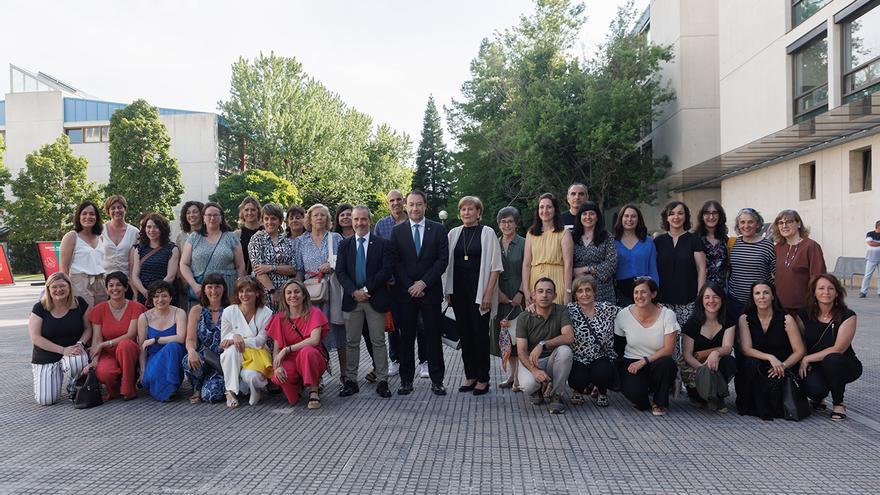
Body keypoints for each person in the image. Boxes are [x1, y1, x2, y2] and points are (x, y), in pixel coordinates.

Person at [389, 190, 449, 396]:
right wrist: (410, 286)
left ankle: (437, 381)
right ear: (406, 206)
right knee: (406, 338)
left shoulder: (438, 229)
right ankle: (406, 381)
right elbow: (395, 262)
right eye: (411, 205)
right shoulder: (397, 231)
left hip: (430, 292)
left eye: (419, 204)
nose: (415, 208)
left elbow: (442, 260)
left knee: (433, 337)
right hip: (405, 295)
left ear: (425, 205)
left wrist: (423, 283)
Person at [444, 196, 503, 395]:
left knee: (479, 335)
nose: (466, 213)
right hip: (459, 291)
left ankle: (483, 378)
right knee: (465, 335)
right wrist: (448, 292)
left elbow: (495, 267)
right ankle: (470, 376)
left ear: (479, 212)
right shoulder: (453, 233)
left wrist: (488, 293)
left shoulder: (487, 233)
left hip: (479, 292)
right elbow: (448, 265)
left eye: (471, 209)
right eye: (463, 209)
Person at [335, 205, 394, 398]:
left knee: (378, 341)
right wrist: (354, 292)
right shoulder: (344, 245)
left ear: (370, 220)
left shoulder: (382, 244)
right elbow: (341, 272)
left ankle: (383, 380)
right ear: (352, 222)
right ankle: (351, 381)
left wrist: (366, 290)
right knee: (352, 342)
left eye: (363, 219)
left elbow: (386, 270)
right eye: (356, 219)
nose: (359, 223)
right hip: (352, 300)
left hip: (374, 298)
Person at [735, 281, 805, 420]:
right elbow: (746, 349)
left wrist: (783, 365)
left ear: (773, 296)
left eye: (766, 293)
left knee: (775, 383)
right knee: (750, 363)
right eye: (757, 293)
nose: (762, 297)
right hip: (757, 363)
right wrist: (770, 357)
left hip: (782, 365)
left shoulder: (786, 319)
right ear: (753, 297)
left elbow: (799, 350)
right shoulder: (745, 318)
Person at [798, 274, 861, 421]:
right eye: (821, 288)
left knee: (832, 360)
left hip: (844, 363)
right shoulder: (803, 314)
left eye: (830, 288)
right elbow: (800, 343)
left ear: (837, 292)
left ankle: (838, 403)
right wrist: (803, 359)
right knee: (814, 389)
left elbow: (838, 349)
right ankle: (818, 397)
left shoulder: (847, 315)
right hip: (816, 365)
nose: (826, 292)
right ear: (814, 292)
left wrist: (807, 358)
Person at [614, 276, 679, 415]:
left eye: (643, 292)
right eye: (636, 292)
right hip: (632, 362)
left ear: (653, 294)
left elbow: (669, 349)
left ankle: (660, 402)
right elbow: (618, 345)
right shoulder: (623, 314)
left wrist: (644, 361)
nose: (639, 296)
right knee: (637, 396)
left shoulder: (667, 315)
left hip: (658, 362)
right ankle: (644, 396)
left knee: (667, 364)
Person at [295, 204, 345, 380]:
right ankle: (318, 377)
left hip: (332, 289)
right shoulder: (301, 241)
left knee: (338, 330)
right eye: (315, 215)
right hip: (310, 291)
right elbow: (299, 269)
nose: (319, 218)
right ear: (309, 218)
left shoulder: (335, 238)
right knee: (314, 334)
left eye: (323, 215)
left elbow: (344, 264)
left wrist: (332, 266)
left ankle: (345, 376)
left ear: (328, 219)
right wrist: (299, 294)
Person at [28, 272, 91, 405]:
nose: (59, 290)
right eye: (54, 287)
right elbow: (36, 338)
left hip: (73, 351)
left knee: (78, 360)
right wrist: (62, 350)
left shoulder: (79, 303)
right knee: (46, 400)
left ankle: (74, 384)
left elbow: (88, 328)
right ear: (48, 289)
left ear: (69, 287)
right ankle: (45, 375)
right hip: (47, 355)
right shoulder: (39, 307)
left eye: (62, 286)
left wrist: (81, 343)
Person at [266, 280, 329, 409]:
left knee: (307, 351)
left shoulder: (314, 312)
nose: (293, 295)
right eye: (288, 293)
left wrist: (287, 349)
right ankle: (298, 386)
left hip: (313, 357)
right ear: (284, 297)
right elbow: (277, 349)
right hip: (290, 360)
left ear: (304, 295)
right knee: (285, 387)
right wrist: (276, 367)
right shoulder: (279, 318)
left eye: (297, 292)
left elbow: (314, 340)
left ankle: (313, 390)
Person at [515, 277, 574, 414]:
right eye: (540, 291)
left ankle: (556, 395)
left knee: (565, 351)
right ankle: (536, 391)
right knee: (527, 385)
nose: (544, 295)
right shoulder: (524, 317)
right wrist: (534, 370)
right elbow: (521, 352)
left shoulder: (561, 311)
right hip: (532, 361)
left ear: (555, 295)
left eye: (549, 291)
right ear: (533, 295)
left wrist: (543, 344)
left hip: (553, 360)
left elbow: (569, 337)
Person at [87, 272, 146, 401]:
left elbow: (130, 335)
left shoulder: (136, 307)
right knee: (104, 373)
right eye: (111, 285)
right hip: (108, 353)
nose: (115, 289)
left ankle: (128, 388)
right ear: (107, 289)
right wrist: (95, 360)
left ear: (125, 288)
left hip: (129, 351)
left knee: (125, 345)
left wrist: (104, 344)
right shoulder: (98, 309)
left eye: (119, 285)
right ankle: (113, 390)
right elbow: (97, 338)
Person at [680, 281, 736, 412]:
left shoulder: (728, 320)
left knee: (729, 361)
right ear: (701, 300)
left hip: (716, 363)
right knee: (701, 392)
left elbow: (728, 347)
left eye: (715, 296)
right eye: (707, 297)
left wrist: (715, 353)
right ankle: (702, 397)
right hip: (695, 367)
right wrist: (704, 370)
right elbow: (687, 355)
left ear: (722, 299)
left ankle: (716, 396)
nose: (711, 300)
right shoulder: (692, 323)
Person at [219, 277, 273, 408]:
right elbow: (224, 338)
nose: (244, 295)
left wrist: (238, 339)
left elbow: (260, 340)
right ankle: (230, 392)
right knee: (231, 351)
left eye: (249, 291)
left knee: (252, 377)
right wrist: (235, 336)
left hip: (258, 353)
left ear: (257, 293)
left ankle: (256, 389)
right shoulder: (229, 311)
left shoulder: (266, 312)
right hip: (237, 351)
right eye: (241, 291)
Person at [566, 275, 619, 407]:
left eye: (588, 290)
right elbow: (550, 312)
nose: (585, 294)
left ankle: (602, 391)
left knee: (603, 373)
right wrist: (532, 307)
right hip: (578, 357)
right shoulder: (568, 310)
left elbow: (630, 312)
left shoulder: (606, 308)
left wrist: (653, 307)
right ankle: (578, 389)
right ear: (575, 295)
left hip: (601, 355)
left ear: (594, 291)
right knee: (577, 378)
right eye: (580, 291)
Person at [374, 189, 411, 377]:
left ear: (404, 201)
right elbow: (376, 253)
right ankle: (395, 360)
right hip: (390, 282)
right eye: (391, 201)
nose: (395, 203)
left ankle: (423, 361)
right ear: (387, 203)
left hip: (412, 282)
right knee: (392, 325)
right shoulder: (382, 224)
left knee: (417, 324)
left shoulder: (412, 220)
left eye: (398, 200)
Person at [180, 202, 246, 305]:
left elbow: (240, 265)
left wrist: (239, 287)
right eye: (209, 215)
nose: (212, 218)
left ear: (221, 218)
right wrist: (193, 285)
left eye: (215, 215)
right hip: (201, 289)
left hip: (228, 289)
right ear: (204, 218)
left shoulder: (231, 237)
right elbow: (184, 264)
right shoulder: (194, 237)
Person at [654, 201, 706, 326]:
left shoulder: (694, 240)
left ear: (686, 216)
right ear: (666, 217)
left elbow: (702, 269)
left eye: (680, 213)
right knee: (667, 338)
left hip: (688, 299)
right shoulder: (658, 241)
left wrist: (700, 296)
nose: (676, 217)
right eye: (671, 214)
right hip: (663, 301)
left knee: (687, 338)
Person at [137, 281, 187, 401]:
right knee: (148, 378)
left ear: (170, 297)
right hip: (154, 357)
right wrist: (142, 370)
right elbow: (142, 347)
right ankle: (158, 384)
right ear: (151, 299)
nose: (160, 299)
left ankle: (170, 388)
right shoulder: (144, 317)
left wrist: (155, 340)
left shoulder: (179, 313)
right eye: (156, 296)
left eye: (164, 296)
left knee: (173, 346)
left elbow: (180, 338)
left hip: (174, 358)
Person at [183, 273, 229, 404]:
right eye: (210, 287)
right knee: (187, 360)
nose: (213, 291)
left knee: (210, 396)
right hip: (203, 359)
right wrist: (191, 350)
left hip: (222, 363)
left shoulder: (230, 310)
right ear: (204, 289)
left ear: (223, 288)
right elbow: (190, 339)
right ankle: (197, 388)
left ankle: (221, 384)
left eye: (217, 287)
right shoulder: (196, 310)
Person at [493, 207, 525, 390]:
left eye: (510, 221)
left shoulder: (524, 243)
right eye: (503, 221)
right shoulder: (494, 244)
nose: (506, 225)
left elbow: (527, 270)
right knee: (507, 338)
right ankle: (511, 376)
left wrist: (520, 293)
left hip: (519, 294)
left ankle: (521, 377)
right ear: (499, 224)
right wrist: (497, 293)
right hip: (500, 295)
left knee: (520, 337)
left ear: (516, 223)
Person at [522, 193, 573, 305]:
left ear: (555, 210)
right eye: (541, 207)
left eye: (549, 207)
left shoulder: (564, 232)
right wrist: (526, 291)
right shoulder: (531, 233)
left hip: (557, 281)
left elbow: (568, 264)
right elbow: (526, 264)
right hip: (535, 282)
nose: (545, 210)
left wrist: (567, 291)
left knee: (556, 318)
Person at [773, 210, 826, 312]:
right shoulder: (777, 248)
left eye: (789, 222)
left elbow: (818, 277)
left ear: (798, 224)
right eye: (780, 223)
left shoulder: (811, 246)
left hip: (803, 307)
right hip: (779, 306)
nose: (784, 226)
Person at [728, 208, 775, 318]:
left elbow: (776, 273)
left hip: (759, 302)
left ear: (758, 224)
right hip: (735, 301)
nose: (746, 225)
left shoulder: (767, 245)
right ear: (738, 225)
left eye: (750, 222)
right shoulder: (733, 243)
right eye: (742, 222)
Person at [59, 200, 107, 306]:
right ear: (78, 216)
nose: (88, 217)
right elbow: (64, 268)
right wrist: (66, 288)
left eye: (92, 214)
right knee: (84, 316)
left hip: (100, 283)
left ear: (96, 217)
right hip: (80, 283)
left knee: (99, 318)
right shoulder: (71, 236)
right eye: (84, 213)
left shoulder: (101, 238)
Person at [249, 203, 297, 306]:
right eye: (266, 219)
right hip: (264, 293)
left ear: (280, 221)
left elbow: (293, 269)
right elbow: (259, 271)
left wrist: (271, 267)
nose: (269, 222)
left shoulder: (287, 241)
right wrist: (273, 292)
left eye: (273, 218)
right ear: (262, 220)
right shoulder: (257, 239)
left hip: (287, 293)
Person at [613, 204, 659, 306]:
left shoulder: (648, 242)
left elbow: (653, 270)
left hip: (644, 290)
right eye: (626, 216)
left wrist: (655, 294)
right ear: (621, 218)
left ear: (639, 219)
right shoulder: (613, 242)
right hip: (620, 292)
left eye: (633, 216)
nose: (629, 219)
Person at [571, 202, 617, 303]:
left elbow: (612, 264)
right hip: (579, 289)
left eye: (592, 213)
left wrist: (586, 269)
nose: (588, 217)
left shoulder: (606, 237)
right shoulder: (572, 237)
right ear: (579, 217)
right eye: (584, 214)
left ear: (597, 217)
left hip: (602, 289)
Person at [131, 212, 179, 306]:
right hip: (144, 296)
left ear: (162, 229)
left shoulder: (172, 249)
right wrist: (145, 292)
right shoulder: (139, 249)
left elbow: (170, 276)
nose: (152, 230)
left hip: (163, 296)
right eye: (149, 227)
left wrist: (156, 294)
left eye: (156, 227)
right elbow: (135, 276)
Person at [101, 195, 140, 279]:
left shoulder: (135, 232)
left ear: (125, 209)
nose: (117, 210)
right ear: (108, 211)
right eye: (113, 208)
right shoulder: (100, 231)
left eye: (119, 207)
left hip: (127, 282)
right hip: (104, 281)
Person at [694, 200, 729, 290]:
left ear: (720, 215)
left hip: (722, 291)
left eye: (714, 213)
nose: (711, 217)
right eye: (707, 213)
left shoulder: (725, 240)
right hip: (701, 290)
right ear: (702, 217)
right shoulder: (694, 239)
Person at [235, 196, 263, 274]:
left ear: (258, 211)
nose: (249, 213)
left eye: (253, 210)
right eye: (246, 210)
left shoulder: (266, 232)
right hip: (244, 278)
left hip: (264, 276)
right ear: (242, 212)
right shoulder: (237, 235)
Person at [860, 220, 880, 298]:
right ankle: (863, 292)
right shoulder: (870, 234)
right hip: (871, 258)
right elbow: (870, 243)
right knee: (867, 275)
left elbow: (874, 243)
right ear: (878, 226)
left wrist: (876, 243)